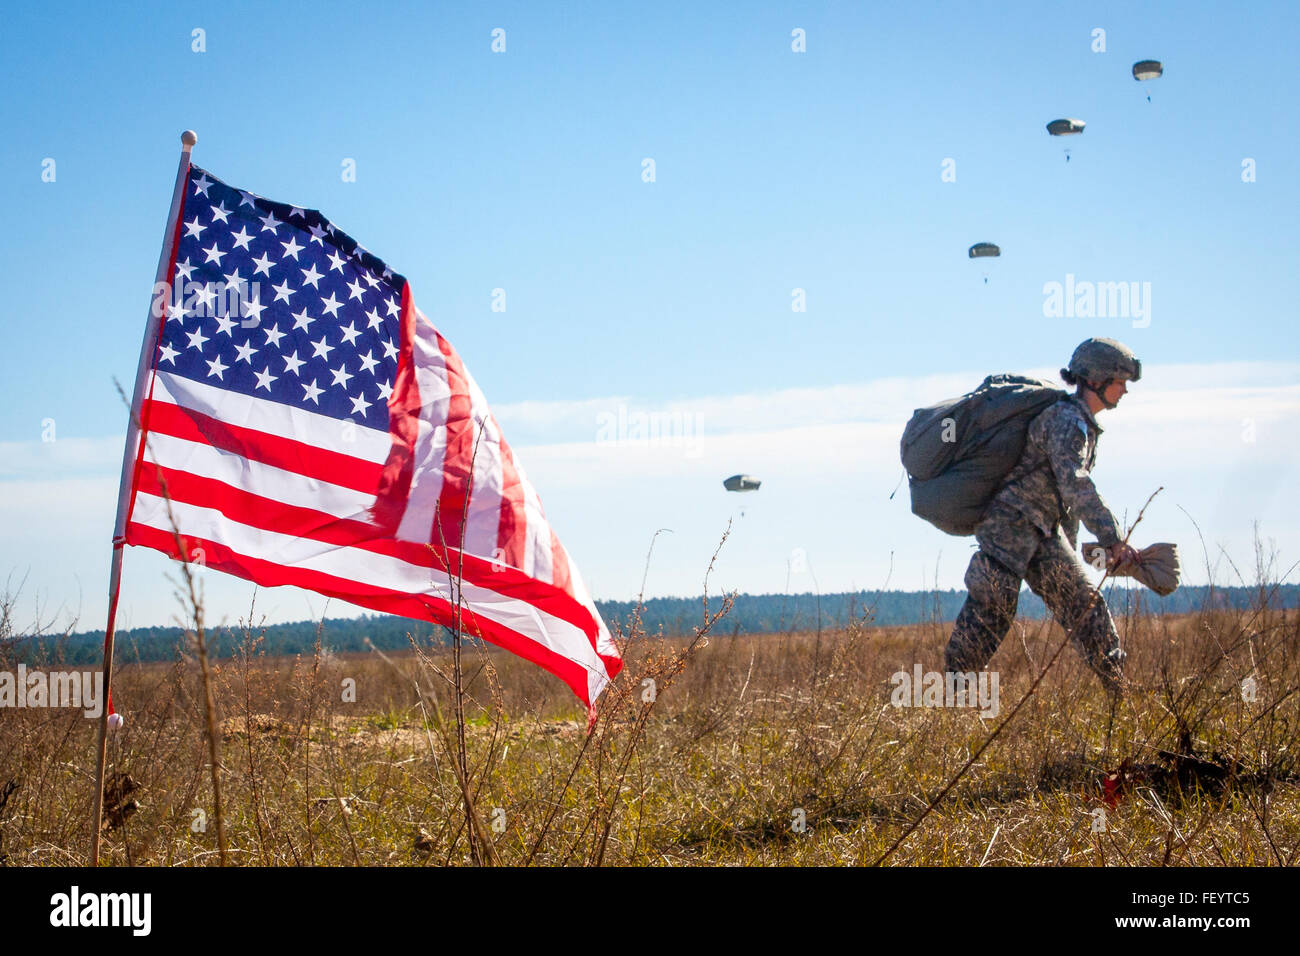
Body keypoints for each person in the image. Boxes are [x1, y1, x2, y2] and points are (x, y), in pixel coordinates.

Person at [943, 338, 1142, 694]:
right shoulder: (1067, 421)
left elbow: (1063, 497)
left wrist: (1081, 548)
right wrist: (1111, 537)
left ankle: (1120, 695)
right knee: (990, 612)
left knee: (1085, 609)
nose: (1125, 389)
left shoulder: (1078, 422)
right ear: (1095, 379)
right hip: (1010, 528)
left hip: (1042, 533)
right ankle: (951, 701)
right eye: (1120, 380)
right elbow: (1074, 484)